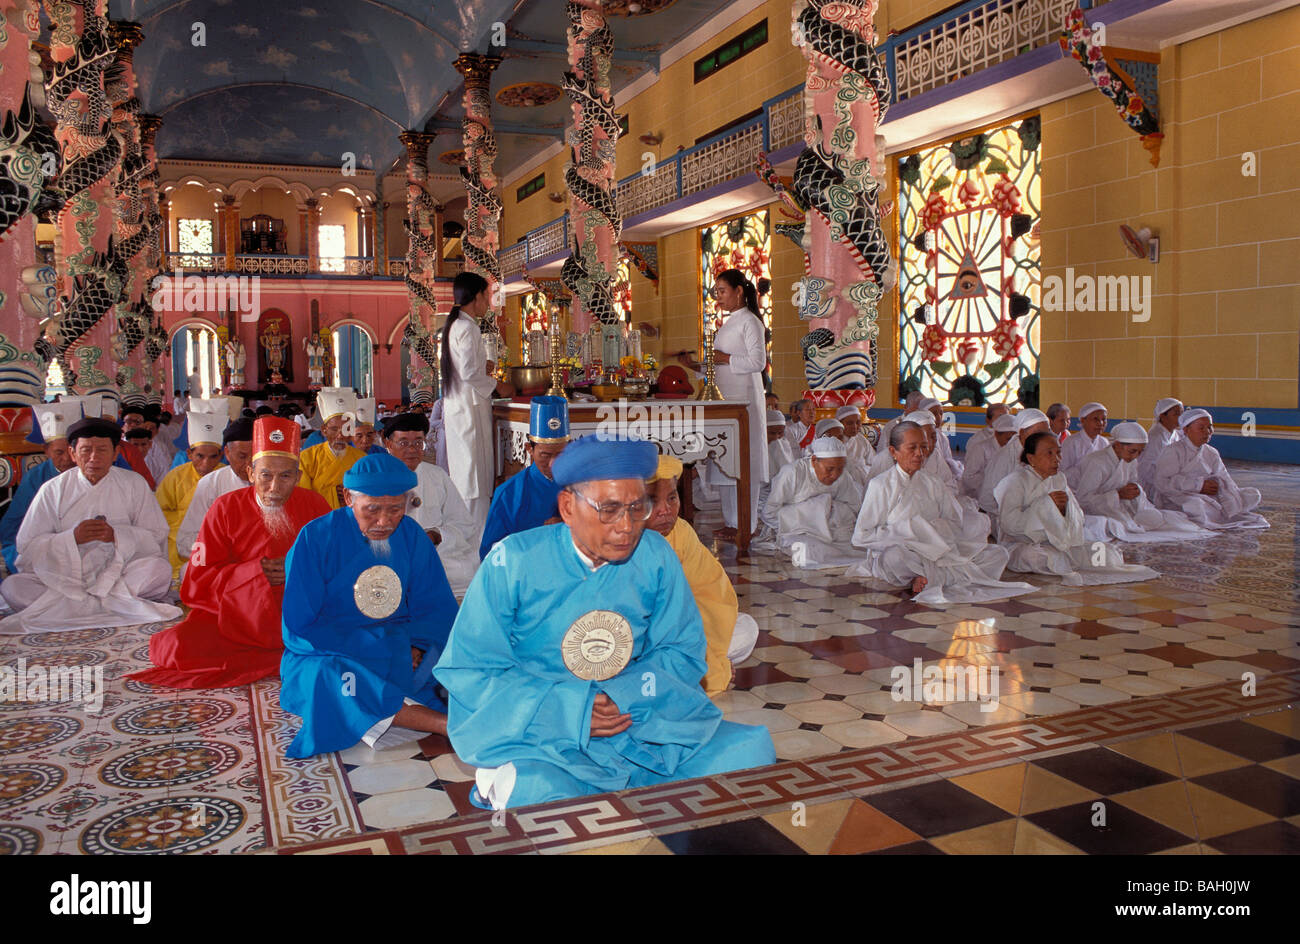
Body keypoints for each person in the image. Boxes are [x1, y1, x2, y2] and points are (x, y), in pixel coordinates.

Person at [433, 435, 775, 810]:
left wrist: (625, 695)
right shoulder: (512, 562)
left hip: (639, 718)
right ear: (567, 507)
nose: (626, 526)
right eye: (609, 509)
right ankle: (507, 777)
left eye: (636, 507)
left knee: (749, 751)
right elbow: (472, 669)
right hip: (545, 730)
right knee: (545, 796)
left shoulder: (655, 554)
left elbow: (682, 649)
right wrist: (573, 708)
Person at [129, 417, 331, 689]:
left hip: (298, 609)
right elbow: (198, 581)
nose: (274, 487)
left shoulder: (315, 505)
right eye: (265, 475)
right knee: (176, 646)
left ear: (298, 476)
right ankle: (289, 652)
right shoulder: (226, 508)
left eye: (285, 476)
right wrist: (254, 574)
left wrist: (297, 569)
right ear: (250, 473)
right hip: (239, 613)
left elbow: (335, 565)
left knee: (357, 632)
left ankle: (291, 648)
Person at [281, 453, 460, 758]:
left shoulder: (413, 536)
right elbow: (300, 625)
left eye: (395, 509)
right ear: (349, 498)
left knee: (456, 658)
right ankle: (447, 726)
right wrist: (379, 646)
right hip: (335, 650)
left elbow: (436, 606)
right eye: (372, 510)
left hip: (403, 646)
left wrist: (418, 643)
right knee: (331, 675)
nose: (384, 521)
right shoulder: (315, 538)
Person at [0, 418, 180, 633]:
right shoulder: (53, 489)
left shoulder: (134, 483)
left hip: (119, 574)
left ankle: (77, 608)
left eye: (102, 450)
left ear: (115, 454)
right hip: (64, 579)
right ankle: (111, 605)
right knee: (13, 587)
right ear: (73, 453)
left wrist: (117, 536)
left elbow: (156, 534)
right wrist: (71, 538)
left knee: (159, 571)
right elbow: (28, 544)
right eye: (86, 450)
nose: (94, 457)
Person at [847, 422, 1034, 604]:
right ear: (893, 452)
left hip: (939, 550)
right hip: (905, 553)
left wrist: (934, 530)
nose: (919, 454)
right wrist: (910, 530)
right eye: (912, 448)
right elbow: (861, 537)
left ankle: (930, 577)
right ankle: (927, 576)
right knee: (893, 558)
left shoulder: (933, 482)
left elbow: (953, 520)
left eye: (923, 447)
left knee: (998, 554)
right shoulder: (880, 485)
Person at [646, 454, 758, 695]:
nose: (665, 511)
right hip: (639, 639)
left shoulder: (682, 532)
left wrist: (706, 648)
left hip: (683, 633)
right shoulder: (620, 538)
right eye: (652, 501)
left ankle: (689, 668)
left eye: (672, 498)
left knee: (745, 628)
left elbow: (710, 595)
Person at [996, 431, 1159, 586]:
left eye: (1058, 453)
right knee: (1036, 557)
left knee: (1107, 552)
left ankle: (1067, 561)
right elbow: (1009, 524)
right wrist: (1046, 505)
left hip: (1060, 544)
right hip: (1022, 545)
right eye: (1049, 453)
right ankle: (1063, 562)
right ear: (1031, 458)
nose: (1057, 459)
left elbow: (1078, 516)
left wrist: (1063, 510)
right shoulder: (1016, 481)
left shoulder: (1059, 479)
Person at [441, 271, 514, 534]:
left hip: (462, 408)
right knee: (475, 480)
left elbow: (467, 366)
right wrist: (498, 385)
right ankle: (476, 542)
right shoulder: (468, 327)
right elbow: (469, 373)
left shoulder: (457, 325)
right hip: (469, 411)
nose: (488, 303)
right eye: (487, 296)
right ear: (477, 297)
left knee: (469, 476)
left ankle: (471, 537)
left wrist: (484, 365)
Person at [382, 412, 479, 600]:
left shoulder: (437, 475)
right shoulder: (378, 477)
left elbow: (464, 525)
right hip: (392, 556)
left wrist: (436, 535)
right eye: (403, 443)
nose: (412, 449)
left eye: (418, 442)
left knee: (469, 574)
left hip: (437, 554)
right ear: (388, 444)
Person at [705, 269, 768, 539]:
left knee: (744, 461)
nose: (718, 297)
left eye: (722, 291)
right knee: (725, 460)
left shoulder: (750, 322)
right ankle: (732, 521)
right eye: (716, 292)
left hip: (744, 402)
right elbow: (719, 363)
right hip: (725, 400)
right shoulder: (728, 323)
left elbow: (758, 362)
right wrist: (698, 366)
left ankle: (748, 523)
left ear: (738, 291)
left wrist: (723, 358)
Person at [1073, 422, 1212, 543]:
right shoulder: (1097, 462)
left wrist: (1134, 490)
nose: (1136, 457)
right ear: (1117, 445)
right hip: (1097, 510)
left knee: (1161, 518)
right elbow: (1083, 500)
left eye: (1140, 452)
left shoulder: (1130, 460)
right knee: (1112, 526)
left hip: (1122, 507)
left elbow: (1132, 482)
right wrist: (1118, 494)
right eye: (1133, 451)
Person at [479, 396, 569, 560]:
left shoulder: (582, 486)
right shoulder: (510, 493)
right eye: (545, 455)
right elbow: (491, 553)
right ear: (529, 449)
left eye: (561, 454)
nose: (553, 463)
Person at [1152, 409, 1269, 530]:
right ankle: (1211, 514)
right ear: (1186, 430)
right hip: (1178, 496)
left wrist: (1227, 491)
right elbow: (1162, 482)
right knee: (1196, 505)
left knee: (1252, 494)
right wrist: (1199, 485)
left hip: (1211, 495)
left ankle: (1217, 512)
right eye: (1201, 428)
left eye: (1210, 427)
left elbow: (1224, 477)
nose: (1207, 432)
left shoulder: (1211, 452)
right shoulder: (1173, 450)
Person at [758, 436, 864, 569]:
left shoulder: (843, 476)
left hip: (832, 528)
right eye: (830, 469)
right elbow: (769, 512)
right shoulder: (792, 473)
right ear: (814, 460)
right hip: (796, 530)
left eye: (840, 468)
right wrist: (801, 520)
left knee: (858, 548)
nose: (835, 475)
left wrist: (830, 513)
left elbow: (853, 506)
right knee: (808, 551)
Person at [1, 403, 79, 571]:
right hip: (45, 548)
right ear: (46, 451)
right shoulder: (36, 478)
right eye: (59, 452)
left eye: (71, 450)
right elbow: (14, 523)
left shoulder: (89, 472)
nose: (67, 459)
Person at [175, 418, 255, 565]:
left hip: (263, 561)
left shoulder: (276, 482)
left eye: (255, 456)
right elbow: (185, 541)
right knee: (188, 570)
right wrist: (222, 550)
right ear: (227, 453)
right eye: (242, 456)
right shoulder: (210, 483)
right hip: (221, 558)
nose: (249, 464)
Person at [155, 413, 225, 579]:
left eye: (213, 456)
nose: (206, 463)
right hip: (178, 539)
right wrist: (186, 522)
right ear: (189, 453)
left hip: (215, 539)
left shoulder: (226, 476)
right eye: (200, 456)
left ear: (221, 455)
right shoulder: (176, 476)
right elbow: (157, 512)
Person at [298, 387, 366, 510]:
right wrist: (331, 494)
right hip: (318, 518)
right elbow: (303, 497)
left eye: (346, 429)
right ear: (324, 430)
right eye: (334, 429)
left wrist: (351, 496)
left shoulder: (361, 459)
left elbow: (367, 494)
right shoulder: (307, 457)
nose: (340, 435)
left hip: (353, 519)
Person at [978, 408, 1050, 522]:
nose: (1044, 437)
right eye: (1038, 432)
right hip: (1004, 519)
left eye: (1046, 432)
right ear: (1022, 433)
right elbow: (988, 498)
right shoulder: (1004, 457)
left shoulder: (1044, 453)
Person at [962, 411, 1017, 499]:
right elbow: (969, 477)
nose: (1011, 442)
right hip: (979, 496)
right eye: (1008, 439)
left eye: (1015, 439)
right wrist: (992, 483)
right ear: (996, 434)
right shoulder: (981, 448)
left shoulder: (1015, 448)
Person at [1138, 397, 1183, 497]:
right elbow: (1146, 468)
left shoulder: (1176, 433)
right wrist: (1165, 484)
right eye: (1176, 414)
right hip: (1151, 486)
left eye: (1181, 413)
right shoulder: (1156, 437)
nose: (1181, 417)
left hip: (1169, 480)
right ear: (1162, 416)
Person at [1060, 401, 1108, 487]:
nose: (1101, 423)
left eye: (1104, 419)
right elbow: (1062, 473)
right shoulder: (1071, 442)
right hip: (1074, 491)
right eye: (1095, 419)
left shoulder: (1104, 443)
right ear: (1083, 420)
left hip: (1098, 491)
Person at [919, 397, 963, 477]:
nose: (939, 417)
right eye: (934, 413)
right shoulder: (917, 436)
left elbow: (948, 460)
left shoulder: (942, 436)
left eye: (941, 413)